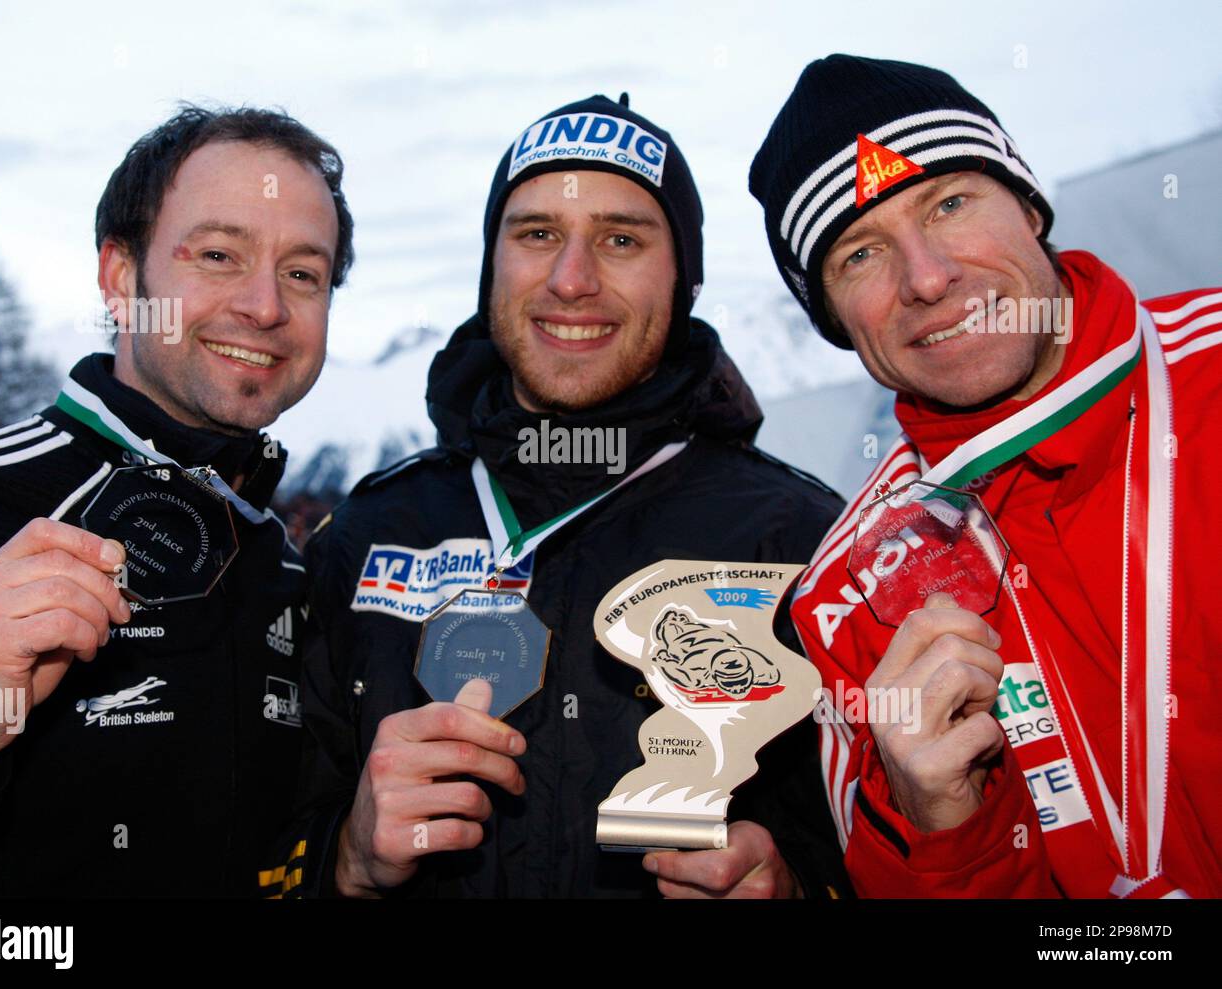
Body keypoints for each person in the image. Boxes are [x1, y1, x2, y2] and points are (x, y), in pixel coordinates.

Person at [276, 93, 848, 898]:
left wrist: (797, 888)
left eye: (621, 239)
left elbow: (906, 846)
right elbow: (252, 845)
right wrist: (345, 861)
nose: (572, 280)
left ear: (682, 278)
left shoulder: (805, 543)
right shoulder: (368, 533)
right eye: (538, 234)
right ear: (492, 266)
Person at [748, 54, 1222, 897]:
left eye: (951, 203)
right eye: (860, 253)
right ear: (834, 322)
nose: (928, 277)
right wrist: (941, 827)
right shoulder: (845, 596)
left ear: (1029, 206)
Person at [0, 105, 354, 896]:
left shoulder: (289, 567)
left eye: (303, 272)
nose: (265, 306)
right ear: (121, 278)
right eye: (219, 254)